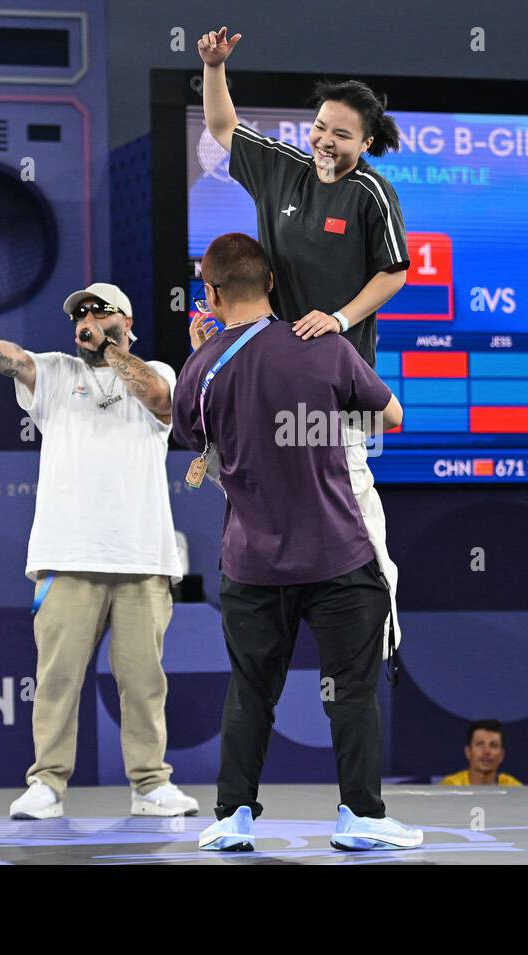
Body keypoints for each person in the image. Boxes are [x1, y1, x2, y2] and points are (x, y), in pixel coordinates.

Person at [174, 233, 418, 851]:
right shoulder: (325, 347)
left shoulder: (201, 369)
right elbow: (391, 417)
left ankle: (232, 818)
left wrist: (208, 360)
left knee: (251, 688)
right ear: (273, 284)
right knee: (352, 690)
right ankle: (360, 817)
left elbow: (192, 436)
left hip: (252, 564)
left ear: (211, 293)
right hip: (339, 553)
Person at [0, 282, 197, 820]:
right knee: (57, 678)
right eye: (79, 313)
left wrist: (112, 349)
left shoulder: (159, 372)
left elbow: (160, 402)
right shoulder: (60, 373)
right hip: (67, 555)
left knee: (143, 680)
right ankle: (48, 785)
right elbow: (17, 362)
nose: (85, 318)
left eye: (98, 311)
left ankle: (151, 784)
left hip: (141, 558)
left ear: (126, 321)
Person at [198, 26, 408, 659]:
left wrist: (339, 320)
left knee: (349, 500)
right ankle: (260, 627)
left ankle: (382, 631)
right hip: (269, 378)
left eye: (342, 134)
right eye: (320, 127)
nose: (325, 141)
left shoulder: (371, 192)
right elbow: (221, 127)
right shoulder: (281, 168)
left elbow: (394, 271)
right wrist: (214, 66)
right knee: (256, 488)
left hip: (334, 384)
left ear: (365, 143)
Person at [439, 720, 524, 786]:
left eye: (493, 745)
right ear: (468, 752)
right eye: (480, 744)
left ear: (502, 755)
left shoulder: (513, 788)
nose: (486, 751)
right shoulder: (450, 786)